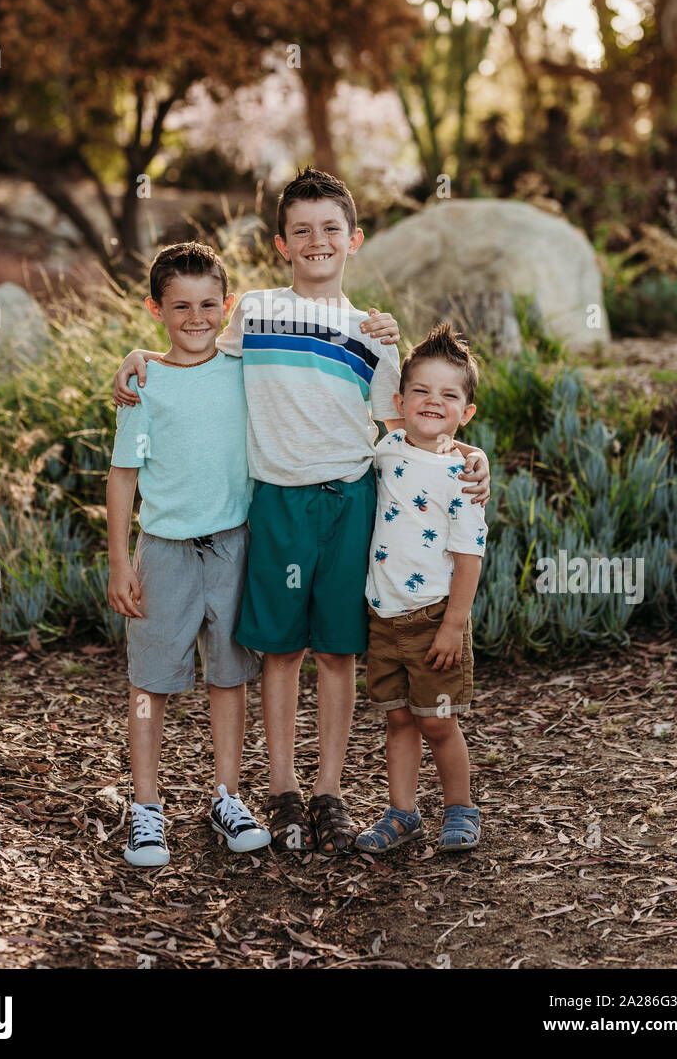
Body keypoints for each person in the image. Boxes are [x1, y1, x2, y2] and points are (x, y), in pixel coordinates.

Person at [113, 167, 490, 854]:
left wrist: (468, 454)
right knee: (280, 650)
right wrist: (141, 354)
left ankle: (329, 793)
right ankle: (282, 790)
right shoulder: (252, 311)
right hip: (278, 506)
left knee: (338, 653)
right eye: (300, 230)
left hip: (349, 504)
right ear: (282, 243)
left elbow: (409, 425)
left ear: (353, 240)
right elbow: (191, 353)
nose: (316, 240)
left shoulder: (373, 334)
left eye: (329, 229)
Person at [106, 241, 271, 866]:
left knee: (229, 676)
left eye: (209, 305)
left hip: (234, 546)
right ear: (156, 310)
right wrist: (121, 563)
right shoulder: (146, 385)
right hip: (165, 551)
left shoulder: (241, 368)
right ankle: (146, 808)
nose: (196, 318)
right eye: (181, 307)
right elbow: (122, 477)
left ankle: (227, 797)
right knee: (151, 681)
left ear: (227, 307)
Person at [355, 322, 486, 855]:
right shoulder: (386, 448)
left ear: (465, 412)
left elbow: (468, 557)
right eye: (421, 391)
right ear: (400, 400)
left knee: (439, 722)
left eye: (448, 395)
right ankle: (402, 813)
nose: (433, 401)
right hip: (383, 618)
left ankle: (461, 807)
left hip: (434, 619)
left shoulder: (463, 475)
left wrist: (455, 624)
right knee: (400, 719)